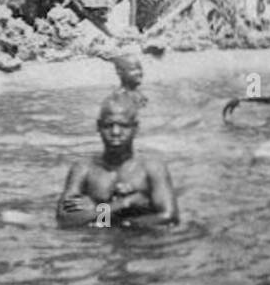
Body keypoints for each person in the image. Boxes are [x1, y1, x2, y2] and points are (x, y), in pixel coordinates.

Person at [56, 96, 179, 228]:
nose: (115, 132)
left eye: (124, 126)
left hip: (138, 244)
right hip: (99, 245)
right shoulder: (83, 169)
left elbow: (169, 217)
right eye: (108, 125)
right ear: (99, 126)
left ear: (135, 127)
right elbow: (65, 219)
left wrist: (102, 214)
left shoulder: (152, 168)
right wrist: (124, 204)